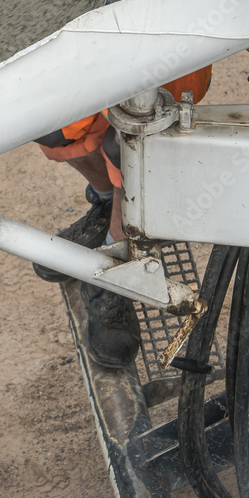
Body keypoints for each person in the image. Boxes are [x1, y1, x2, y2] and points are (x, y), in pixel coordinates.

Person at [33, 67, 212, 368]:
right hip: (80, 48)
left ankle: (115, 256)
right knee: (53, 122)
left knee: (133, 138)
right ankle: (107, 207)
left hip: (156, 50)